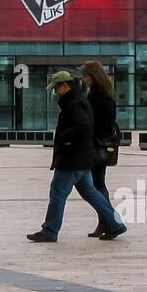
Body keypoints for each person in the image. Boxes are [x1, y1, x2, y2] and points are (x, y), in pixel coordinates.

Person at [28, 72, 127, 244]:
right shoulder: (79, 100)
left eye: (56, 88)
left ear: (65, 86)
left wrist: (66, 140)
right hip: (83, 158)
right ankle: (116, 223)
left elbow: (82, 125)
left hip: (72, 159)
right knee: (91, 193)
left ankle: (50, 231)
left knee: (57, 192)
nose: (55, 92)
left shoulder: (74, 104)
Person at [80, 61, 120, 236]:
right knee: (98, 183)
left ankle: (111, 221)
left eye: (85, 76)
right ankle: (105, 222)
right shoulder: (107, 94)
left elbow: (94, 122)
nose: (83, 79)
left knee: (96, 185)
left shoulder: (97, 96)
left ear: (93, 76)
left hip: (96, 145)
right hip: (102, 144)